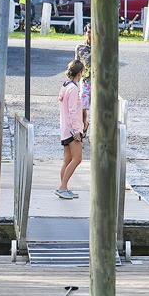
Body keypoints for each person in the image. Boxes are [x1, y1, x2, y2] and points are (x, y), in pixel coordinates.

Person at [55, 60, 87, 199]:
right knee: (77, 159)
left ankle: (63, 187)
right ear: (80, 73)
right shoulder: (74, 89)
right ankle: (62, 187)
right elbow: (73, 111)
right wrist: (77, 132)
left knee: (67, 160)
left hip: (65, 128)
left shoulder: (65, 86)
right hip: (72, 130)